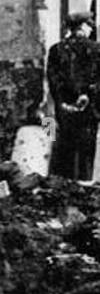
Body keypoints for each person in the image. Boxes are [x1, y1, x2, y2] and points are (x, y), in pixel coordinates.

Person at [47, 11, 100, 179]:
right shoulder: (96, 49)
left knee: (64, 147)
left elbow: (53, 81)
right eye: (90, 25)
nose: (91, 28)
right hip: (89, 107)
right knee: (87, 148)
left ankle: (64, 185)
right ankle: (84, 183)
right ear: (83, 26)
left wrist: (62, 101)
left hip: (64, 108)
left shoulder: (56, 50)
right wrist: (86, 95)